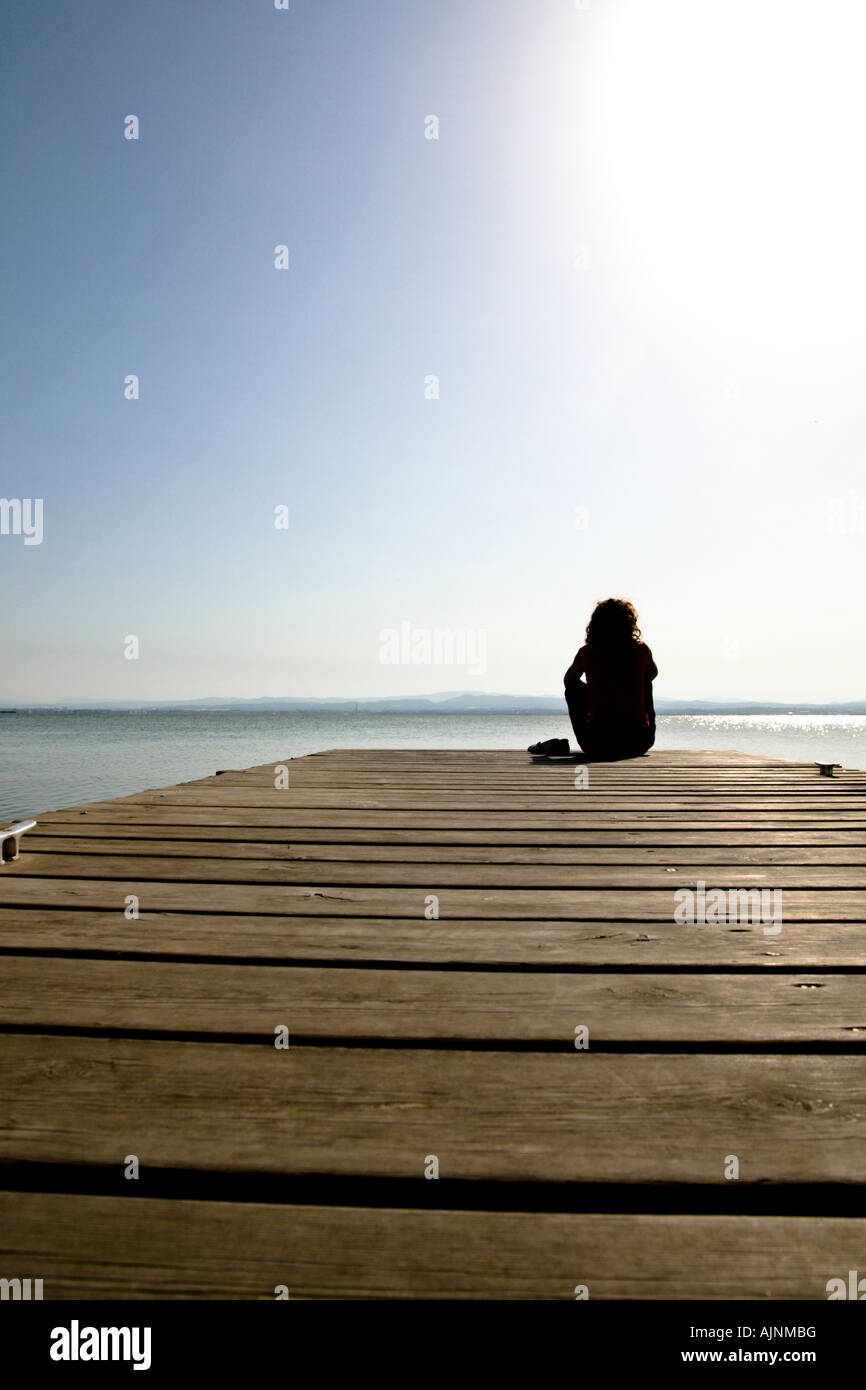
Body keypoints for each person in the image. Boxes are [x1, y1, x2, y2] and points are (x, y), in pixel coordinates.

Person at [529, 597, 657, 760]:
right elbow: (653, 673)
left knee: (573, 688)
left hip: (597, 744)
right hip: (638, 742)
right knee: (645, 677)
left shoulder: (587, 652)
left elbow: (568, 681)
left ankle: (598, 725)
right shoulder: (641, 650)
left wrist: (597, 688)